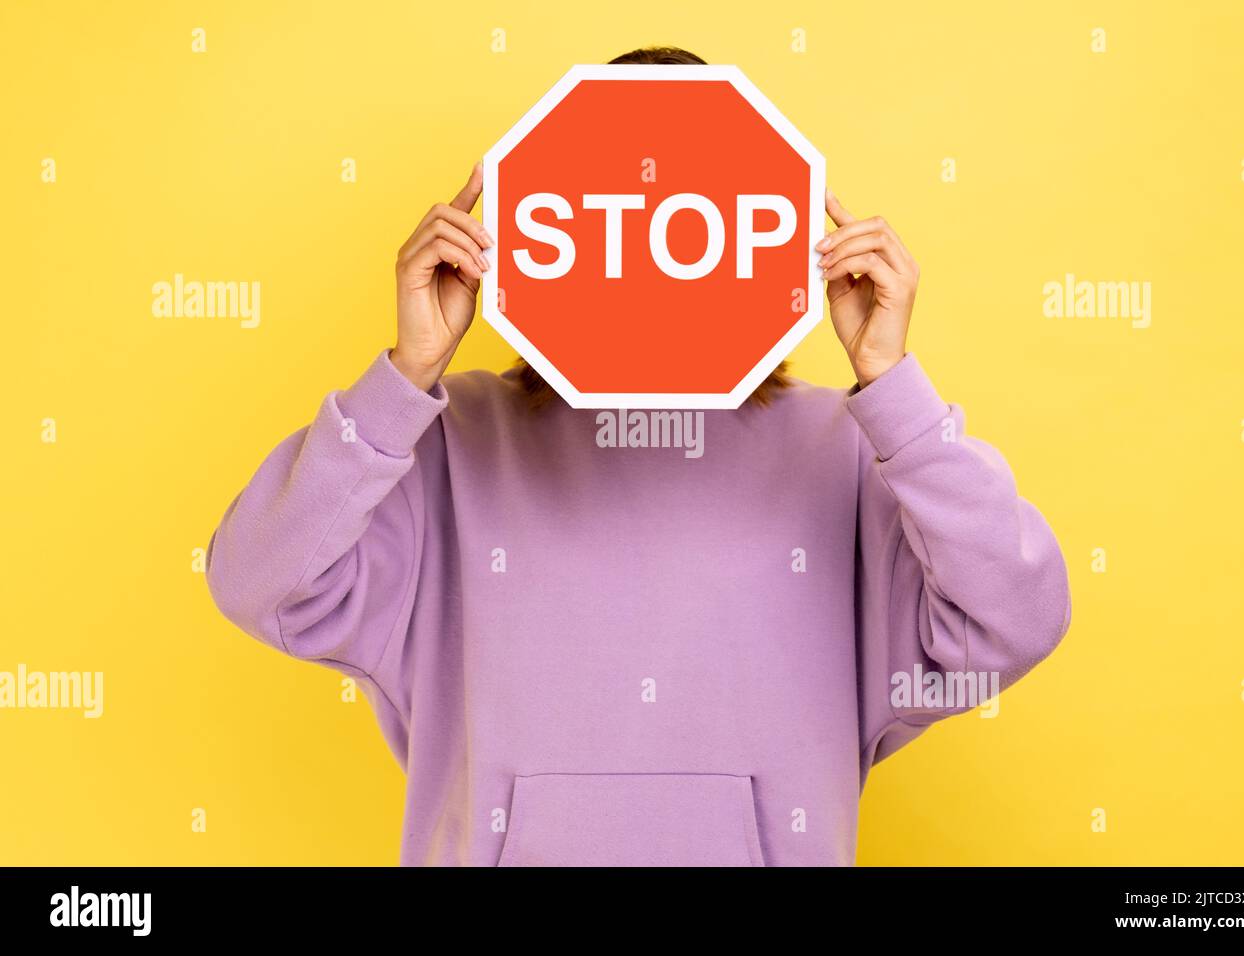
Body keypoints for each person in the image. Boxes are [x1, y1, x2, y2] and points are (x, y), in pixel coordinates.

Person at [206, 46, 1071, 866]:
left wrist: (894, 387)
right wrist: (404, 377)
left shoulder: (843, 449)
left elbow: (1013, 620)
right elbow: (257, 580)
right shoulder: (444, 440)